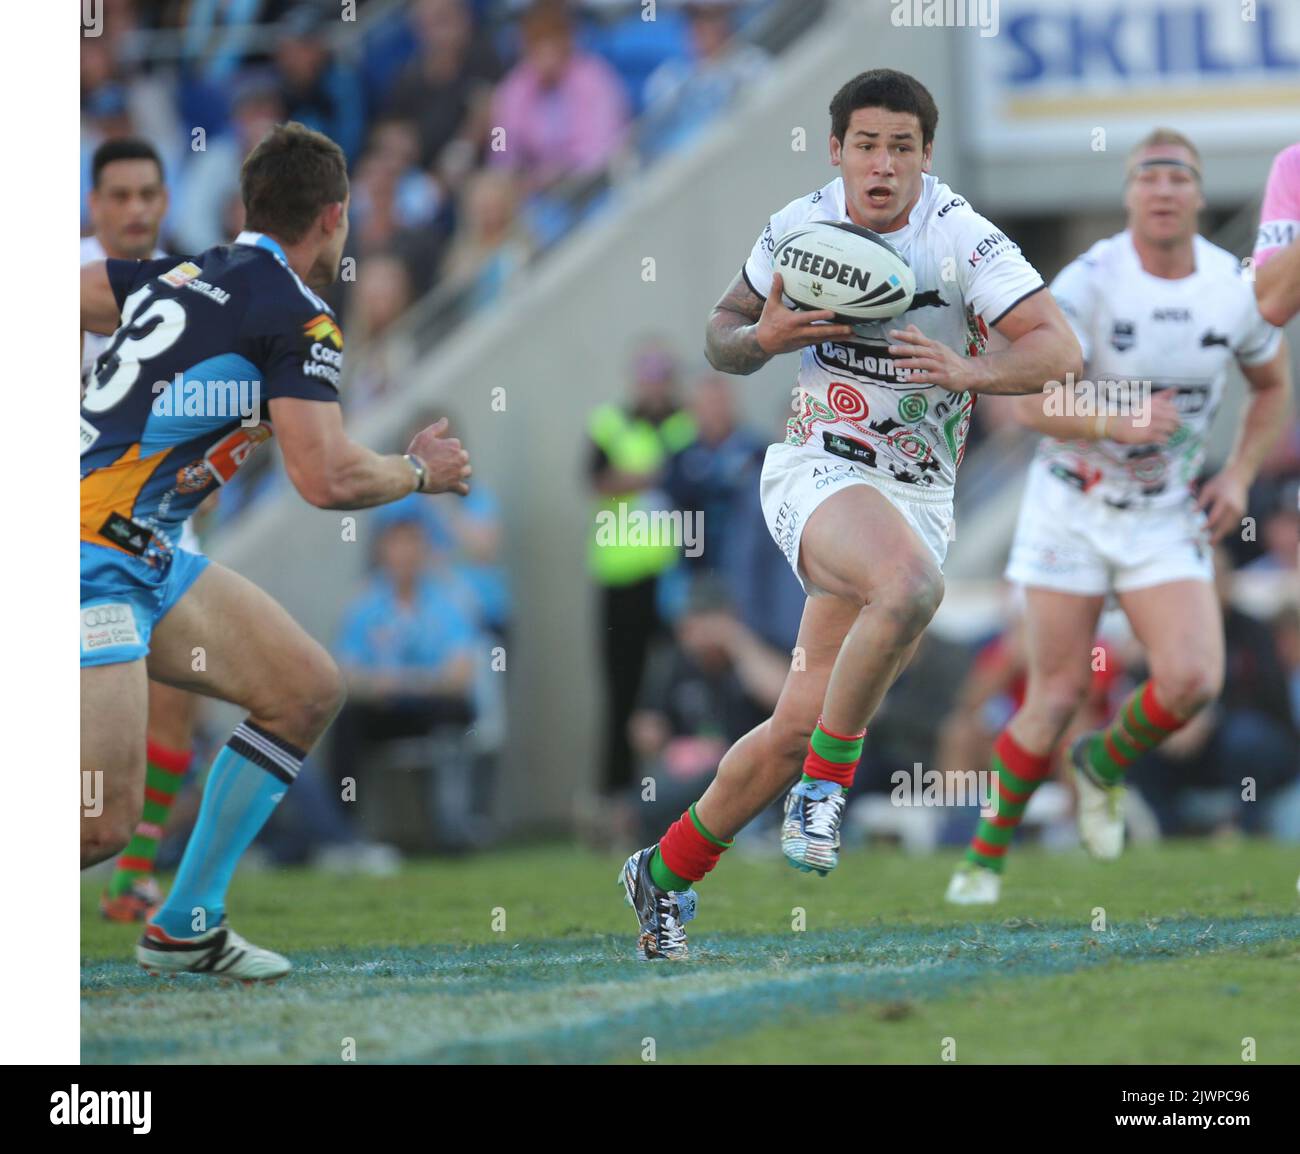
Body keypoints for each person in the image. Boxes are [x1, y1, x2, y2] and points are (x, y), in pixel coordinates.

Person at [619, 69, 1081, 959]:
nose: (883, 164)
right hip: (818, 469)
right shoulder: (802, 227)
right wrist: (761, 339)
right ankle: (824, 792)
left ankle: (663, 872)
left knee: (797, 726)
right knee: (909, 589)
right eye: (866, 145)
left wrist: (973, 372)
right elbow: (721, 333)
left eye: (901, 147)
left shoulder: (962, 238)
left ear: (926, 156)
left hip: (918, 497)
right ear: (836, 151)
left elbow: (1060, 350)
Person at [81, 122, 473, 981]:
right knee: (100, 824)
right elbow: (326, 478)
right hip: (90, 556)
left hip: (142, 552)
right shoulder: (298, 315)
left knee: (303, 689)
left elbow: (76, 295)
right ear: (333, 217)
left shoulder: (181, 273)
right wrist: (419, 471)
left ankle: (187, 923)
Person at [947, 129, 1291, 904]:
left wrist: (1239, 476)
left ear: (1199, 195)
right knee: (1055, 692)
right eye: (1149, 177)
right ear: (1130, 193)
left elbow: (1272, 386)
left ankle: (1102, 763)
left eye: (1179, 177)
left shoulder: (1233, 288)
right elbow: (1025, 401)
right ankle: (984, 860)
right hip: (1071, 504)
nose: (1164, 190)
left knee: (1193, 680)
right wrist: (1112, 419)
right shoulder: (1090, 280)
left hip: (1164, 512)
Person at [83, 138, 203, 924]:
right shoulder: (75, 277)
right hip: (80, 515)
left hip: (156, 517)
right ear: (94, 204)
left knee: (182, 686)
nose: (134, 209)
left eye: (147, 195)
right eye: (119, 195)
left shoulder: (191, 283)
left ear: (164, 201)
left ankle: (134, 871)